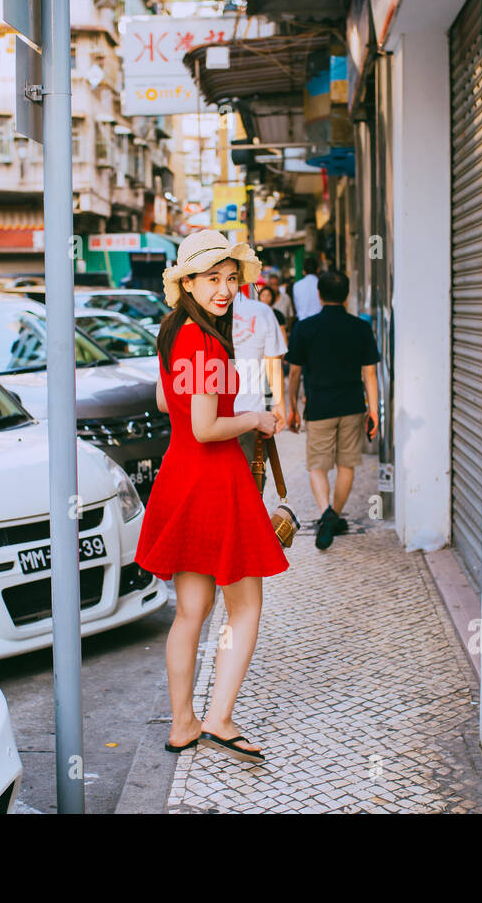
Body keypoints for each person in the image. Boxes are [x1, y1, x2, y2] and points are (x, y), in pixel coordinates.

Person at [135, 228, 287, 764]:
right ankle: (219, 718)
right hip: (214, 478)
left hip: (180, 476)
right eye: (212, 278)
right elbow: (204, 426)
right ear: (188, 281)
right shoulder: (204, 339)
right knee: (245, 607)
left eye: (230, 278)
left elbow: (163, 399)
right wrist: (255, 416)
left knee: (191, 610)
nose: (224, 289)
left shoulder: (173, 329)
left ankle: (184, 724)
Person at [285, 269, 380, 551]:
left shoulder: (305, 327)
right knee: (346, 464)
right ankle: (334, 515)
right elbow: (370, 374)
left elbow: (294, 373)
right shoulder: (361, 327)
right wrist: (373, 410)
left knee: (317, 465)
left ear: (319, 294)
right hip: (352, 405)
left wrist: (292, 405)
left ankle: (325, 511)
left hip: (319, 406)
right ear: (347, 294)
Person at [232, 283, 287, 489]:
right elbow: (273, 362)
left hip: (214, 418)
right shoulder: (261, 311)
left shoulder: (197, 314)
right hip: (250, 416)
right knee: (251, 490)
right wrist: (279, 406)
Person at [291, 256, 321, 322]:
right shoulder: (322, 284)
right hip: (320, 323)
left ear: (303, 272)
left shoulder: (297, 285)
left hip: (302, 322)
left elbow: (297, 307)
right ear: (318, 270)